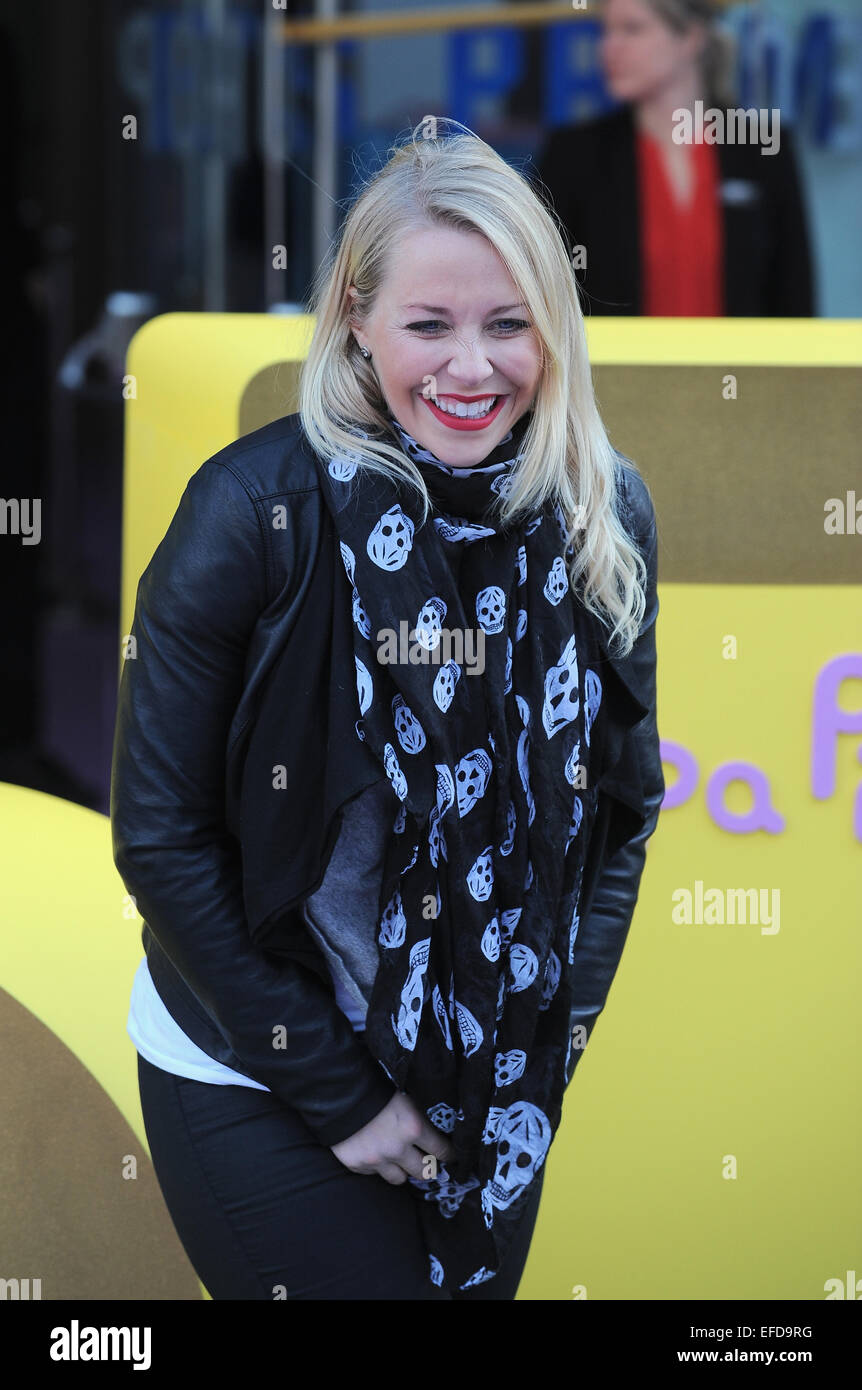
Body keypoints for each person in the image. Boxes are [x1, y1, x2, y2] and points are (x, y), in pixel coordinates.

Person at [111, 122, 665, 1301]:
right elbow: (161, 838)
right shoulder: (249, 514)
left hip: (493, 1078)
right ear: (356, 319)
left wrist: (548, 1035)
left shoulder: (601, 509)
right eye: (430, 325)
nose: (471, 368)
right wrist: (340, 1088)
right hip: (257, 1067)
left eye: (508, 324)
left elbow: (622, 809)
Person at [532, 0, 814, 316]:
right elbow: (547, 300)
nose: (609, 47)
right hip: (616, 365)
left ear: (691, 38)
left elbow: (796, 297)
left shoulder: (763, 149)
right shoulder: (574, 154)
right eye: (606, 30)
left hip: (741, 366)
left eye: (632, 29)